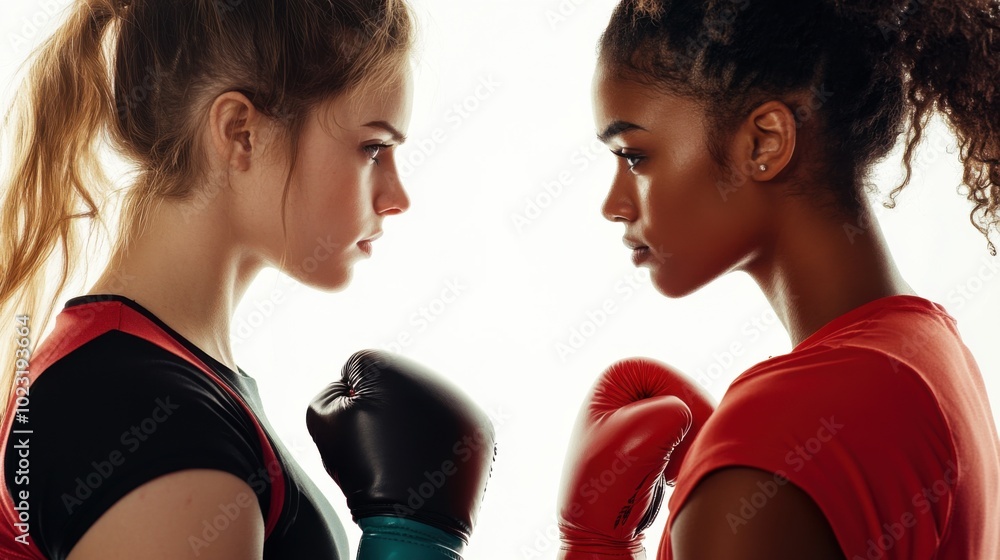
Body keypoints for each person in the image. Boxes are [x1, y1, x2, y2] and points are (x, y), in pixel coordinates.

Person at [0, 0, 496, 558]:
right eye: (373, 148)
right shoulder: (139, 412)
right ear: (242, 133)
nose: (397, 197)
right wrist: (413, 543)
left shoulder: (155, 384)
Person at [557, 0, 1000, 558]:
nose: (614, 205)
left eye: (634, 156)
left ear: (765, 142)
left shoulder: (770, 447)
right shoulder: (929, 354)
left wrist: (592, 547)